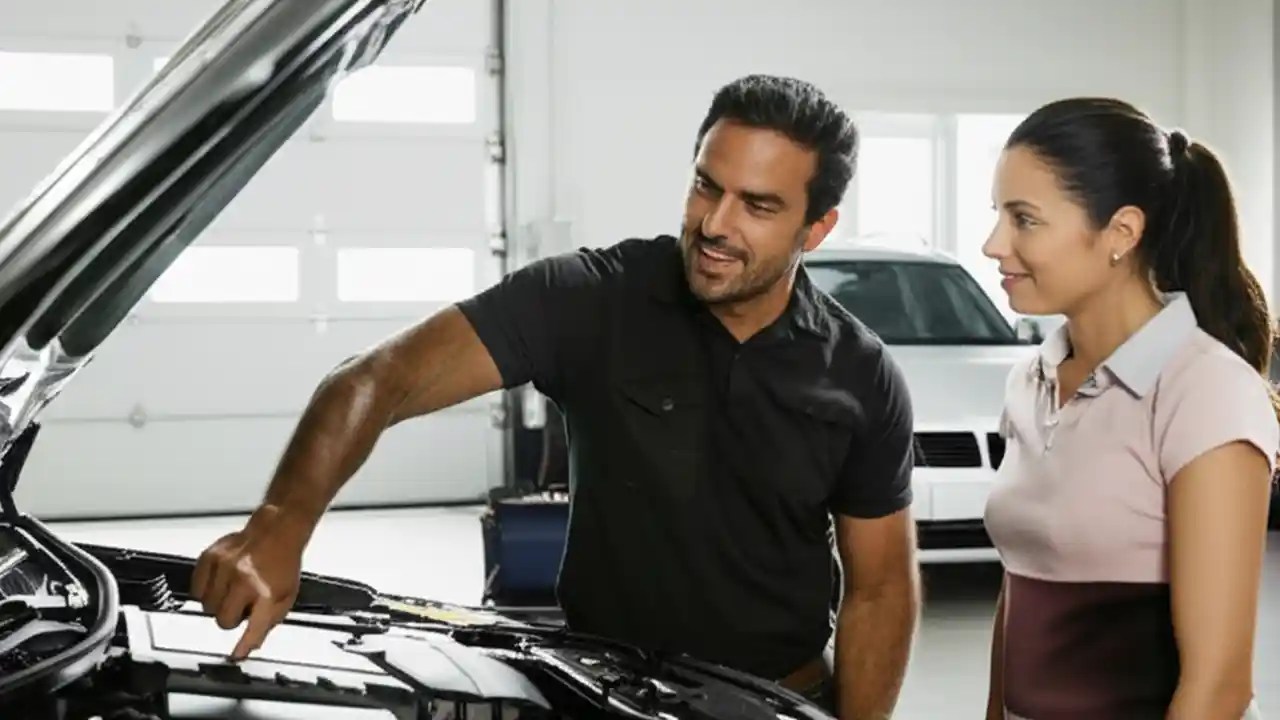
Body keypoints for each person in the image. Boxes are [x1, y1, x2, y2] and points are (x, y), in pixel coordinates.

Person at [189, 74, 921, 718]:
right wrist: (278, 527)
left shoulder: (861, 375)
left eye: (758, 206)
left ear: (816, 227)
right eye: (706, 185)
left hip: (776, 700)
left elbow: (881, 588)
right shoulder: (589, 300)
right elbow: (377, 379)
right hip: (603, 690)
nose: (715, 224)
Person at [980, 97, 1278, 720]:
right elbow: (1020, 590)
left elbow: (1218, 687)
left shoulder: (1205, 391)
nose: (993, 244)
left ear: (1121, 233)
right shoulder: (1029, 381)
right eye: (997, 215)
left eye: (1024, 219)